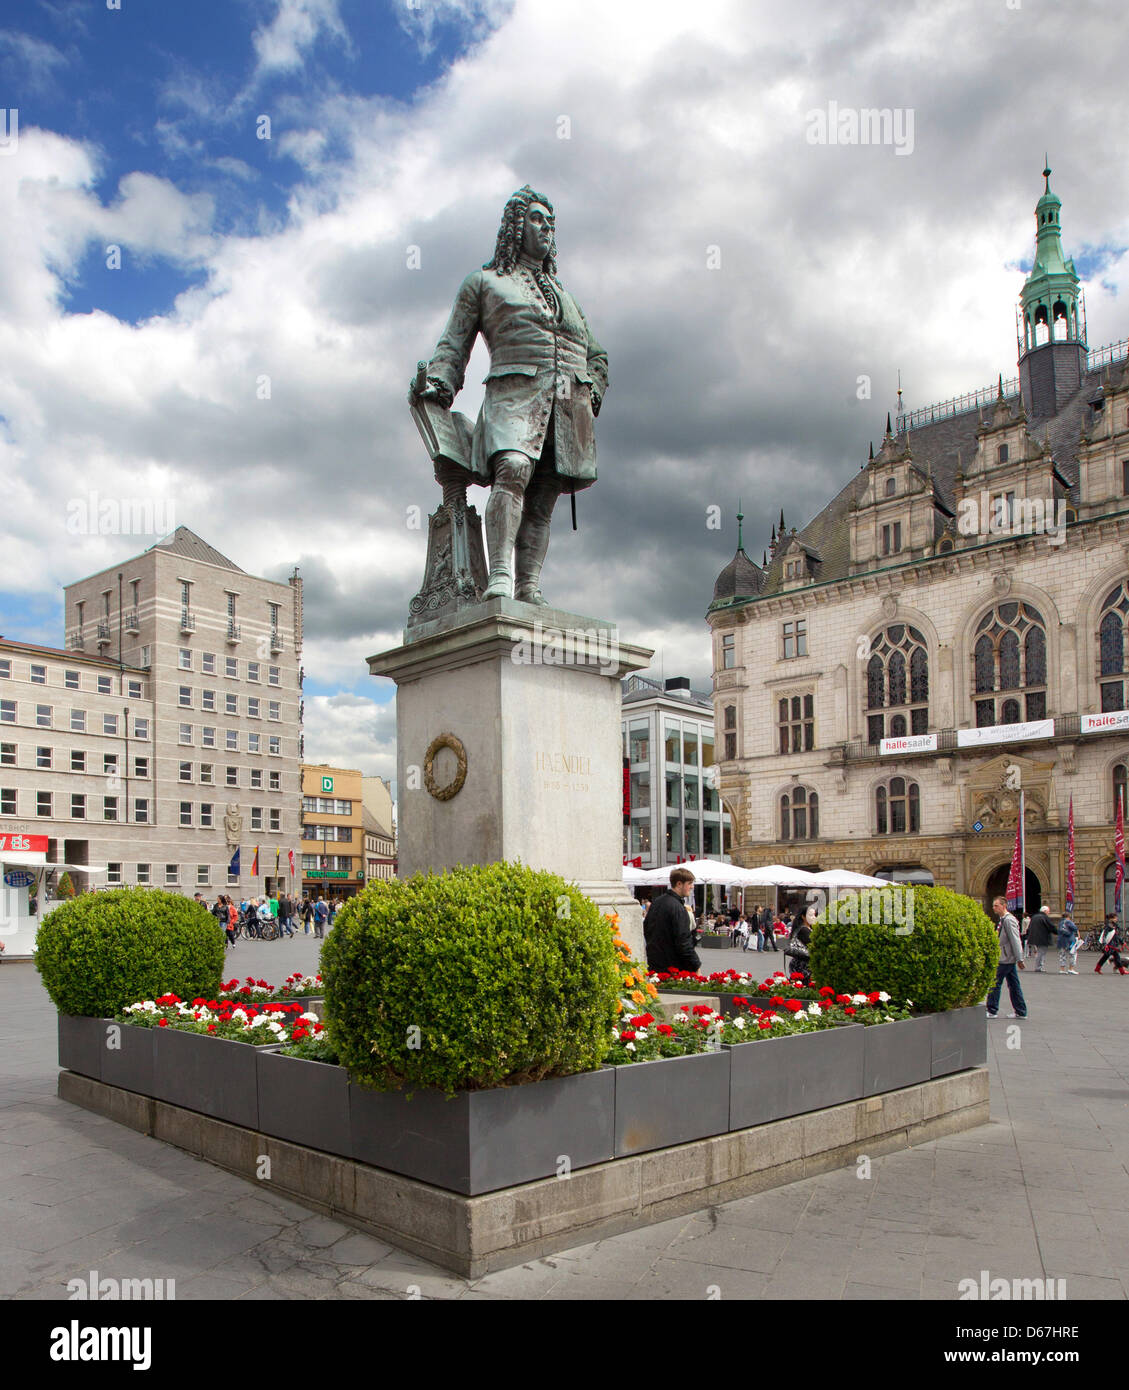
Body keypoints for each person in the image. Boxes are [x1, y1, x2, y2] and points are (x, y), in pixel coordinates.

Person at [413, 184, 609, 605]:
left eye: (551, 223)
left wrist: (593, 390)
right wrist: (439, 382)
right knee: (513, 470)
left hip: (567, 410)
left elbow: (598, 355)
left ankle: (529, 586)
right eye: (537, 220)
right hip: (514, 395)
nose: (546, 229)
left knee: (543, 498)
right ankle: (500, 575)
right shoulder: (483, 283)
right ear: (516, 226)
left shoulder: (568, 297)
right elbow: (453, 344)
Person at [643, 867, 701, 973]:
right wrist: (696, 965)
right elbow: (683, 940)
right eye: (689, 883)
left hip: (654, 962)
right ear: (679, 884)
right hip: (673, 966)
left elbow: (646, 929)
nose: (692, 887)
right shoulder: (677, 908)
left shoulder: (657, 902)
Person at [987, 897, 1028, 1018]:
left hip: (1005, 958)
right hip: (1007, 957)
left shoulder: (1008, 920)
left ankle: (992, 1010)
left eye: (996, 906)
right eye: (993, 905)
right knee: (1014, 984)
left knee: (995, 983)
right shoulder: (1003, 919)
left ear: (1004, 906)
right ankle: (1021, 1011)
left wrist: (1020, 958)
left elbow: (1015, 940)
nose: (994, 908)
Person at [1026, 904, 1056, 972]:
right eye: (1048, 911)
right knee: (1041, 953)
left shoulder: (1034, 917)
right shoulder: (1044, 917)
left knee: (1039, 952)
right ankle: (1039, 967)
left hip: (1035, 937)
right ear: (1045, 911)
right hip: (1043, 938)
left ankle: (1038, 966)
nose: (1049, 913)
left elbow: (1029, 927)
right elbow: (1051, 927)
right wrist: (1057, 932)